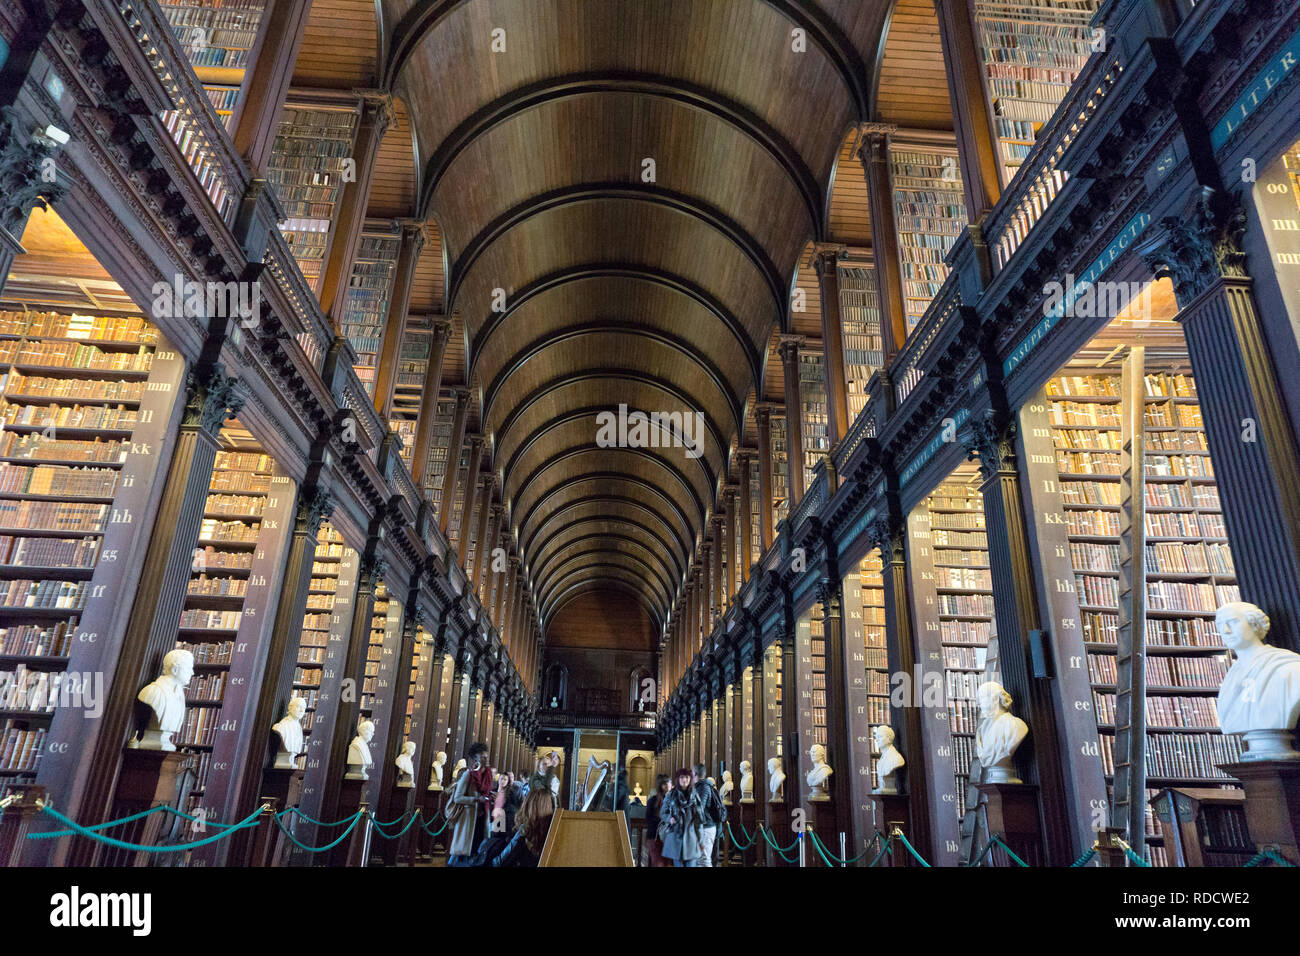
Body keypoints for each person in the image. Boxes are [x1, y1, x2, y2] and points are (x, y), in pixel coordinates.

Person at [446, 742, 490, 865]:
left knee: (476, 850)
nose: (485, 757)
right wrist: (475, 800)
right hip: (468, 820)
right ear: (475, 758)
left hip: (481, 818)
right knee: (463, 854)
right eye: (482, 755)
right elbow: (457, 798)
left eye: (486, 755)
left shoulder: (487, 776)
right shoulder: (468, 775)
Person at [659, 767, 704, 867]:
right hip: (675, 837)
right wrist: (669, 818)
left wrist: (700, 839)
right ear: (678, 779)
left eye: (687, 777)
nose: (684, 780)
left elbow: (698, 819)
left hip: (691, 837)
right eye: (682, 777)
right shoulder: (671, 795)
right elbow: (663, 813)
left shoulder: (694, 795)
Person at [693, 763, 725, 867]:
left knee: (704, 860)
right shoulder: (700, 786)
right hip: (703, 827)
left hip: (706, 827)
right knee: (699, 860)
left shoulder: (704, 787)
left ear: (695, 774)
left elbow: (699, 807)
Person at [644, 774, 670, 867]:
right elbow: (649, 818)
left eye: (668, 782)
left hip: (668, 837)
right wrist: (664, 821)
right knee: (658, 863)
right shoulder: (653, 800)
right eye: (664, 784)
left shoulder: (673, 799)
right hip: (655, 837)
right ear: (660, 785)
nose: (667, 785)